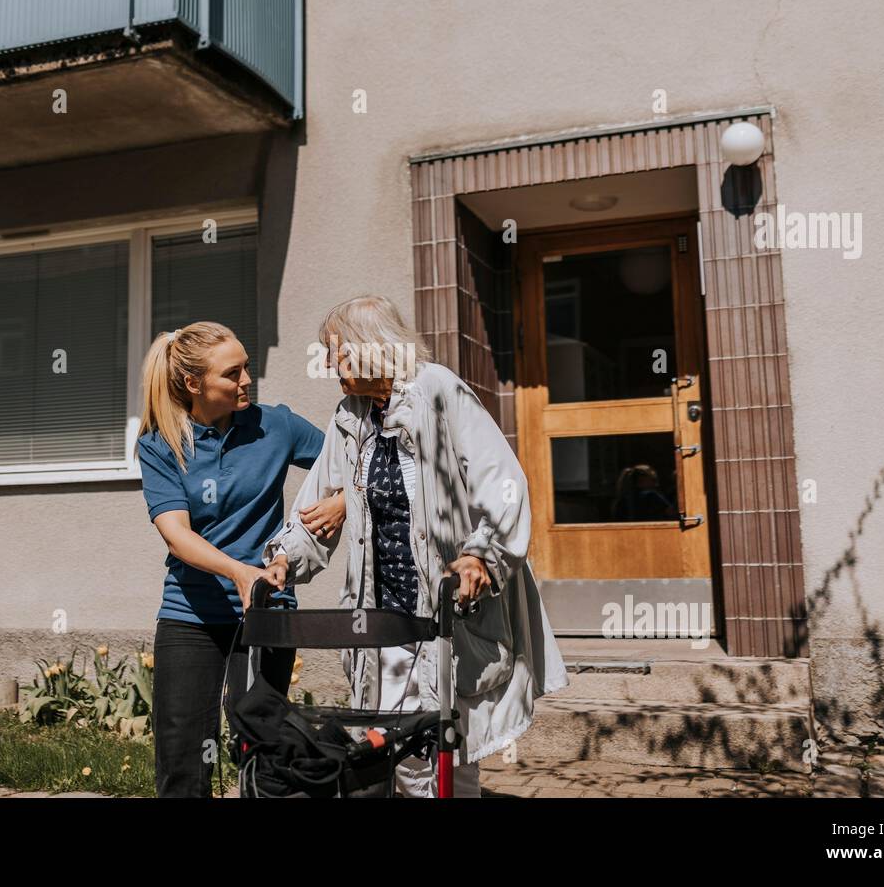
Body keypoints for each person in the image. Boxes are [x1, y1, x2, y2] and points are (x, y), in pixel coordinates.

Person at [263, 296, 570, 798]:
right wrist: (283, 559)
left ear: (370, 348)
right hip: (386, 617)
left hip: (449, 613)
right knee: (400, 750)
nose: (327, 365)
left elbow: (503, 484)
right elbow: (315, 504)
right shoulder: (351, 415)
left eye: (336, 353)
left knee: (451, 749)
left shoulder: (437, 389)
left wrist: (480, 556)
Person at [136, 320, 346, 797]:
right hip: (191, 614)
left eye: (247, 367)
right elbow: (176, 536)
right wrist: (238, 571)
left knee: (264, 746)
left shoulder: (277, 425)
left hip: (267, 613)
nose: (247, 379)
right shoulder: (160, 443)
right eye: (233, 373)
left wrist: (343, 502)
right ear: (194, 383)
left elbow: (356, 461)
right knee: (183, 755)